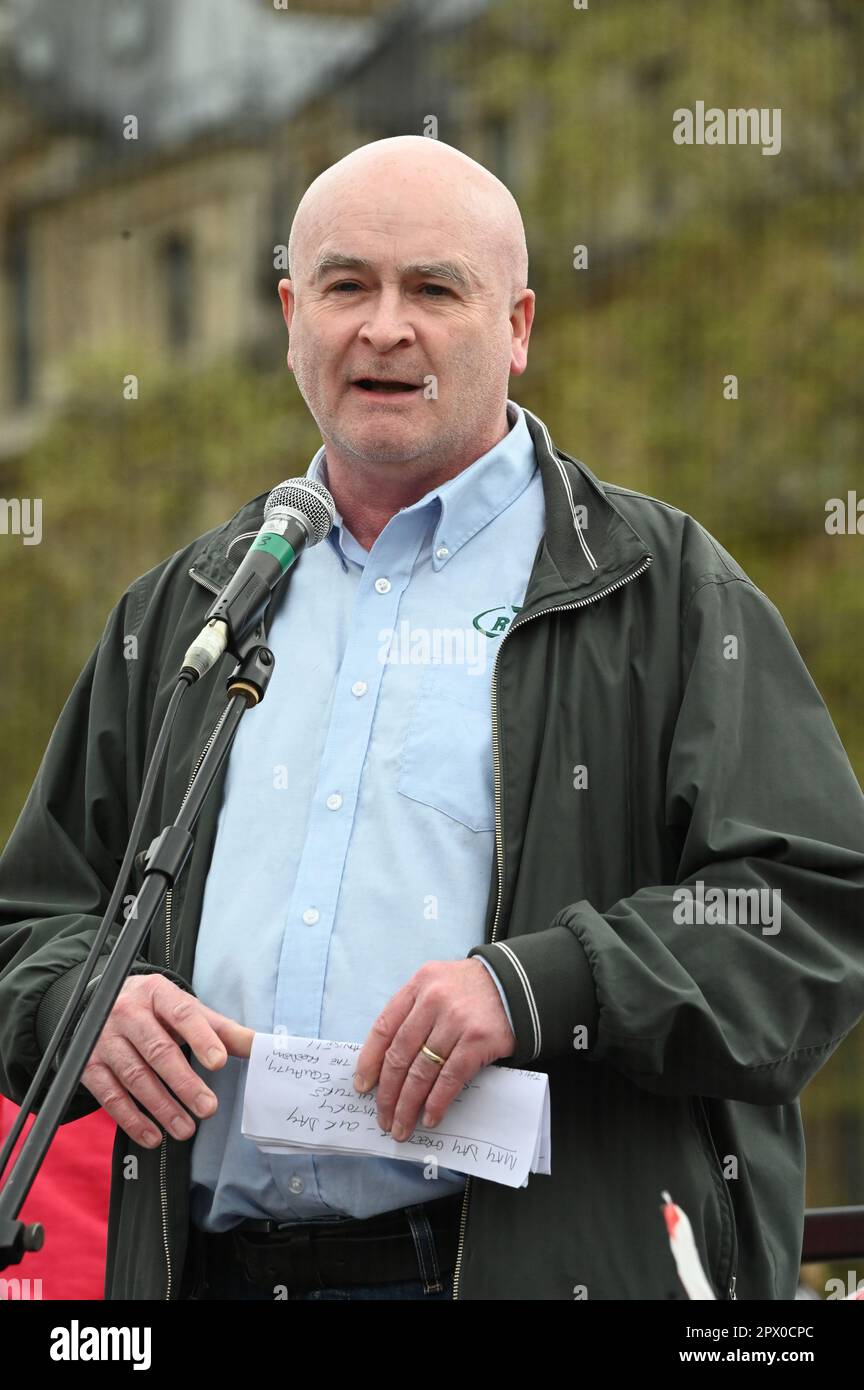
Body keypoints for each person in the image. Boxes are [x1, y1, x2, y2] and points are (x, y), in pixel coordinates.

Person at [1, 135, 863, 1302]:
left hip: (525, 1267)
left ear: (517, 326)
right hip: (206, 1272)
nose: (386, 326)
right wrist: (78, 1000)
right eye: (348, 286)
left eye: (435, 289)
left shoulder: (664, 590)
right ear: (292, 315)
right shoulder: (189, 605)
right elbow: (32, 917)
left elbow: (804, 913)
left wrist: (538, 988)